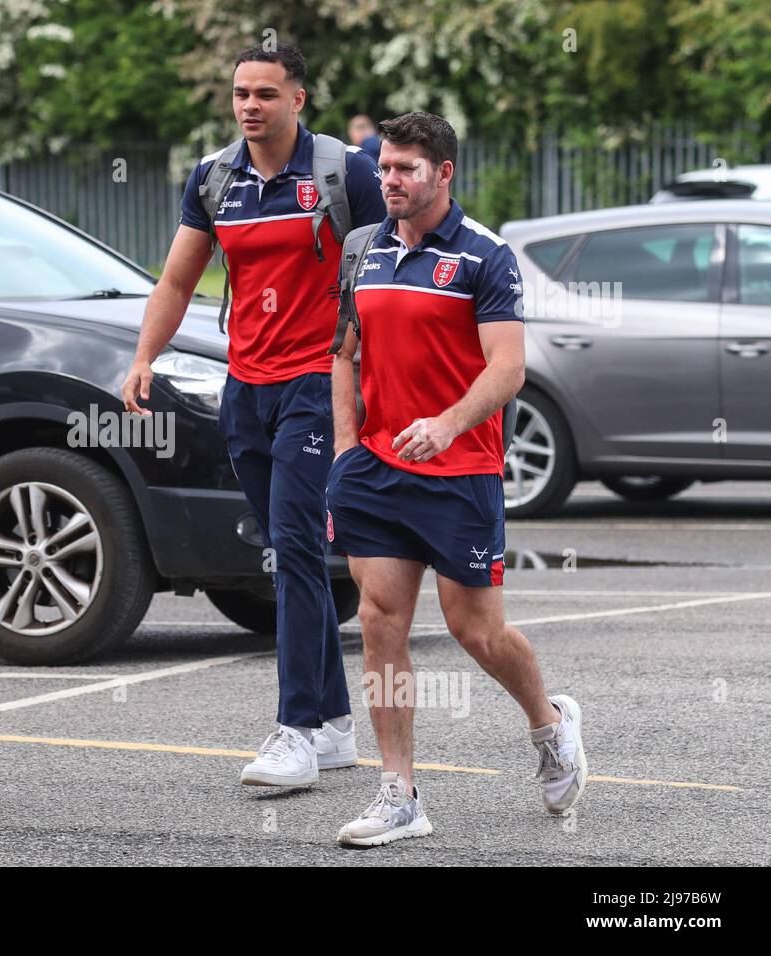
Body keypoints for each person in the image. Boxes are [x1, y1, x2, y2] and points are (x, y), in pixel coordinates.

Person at [123, 43, 385, 787]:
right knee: (285, 549)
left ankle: (296, 729)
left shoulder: (344, 173)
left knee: (297, 550)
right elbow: (177, 278)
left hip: (316, 383)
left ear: (298, 99)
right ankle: (334, 724)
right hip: (245, 387)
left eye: (266, 93)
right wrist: (144, 356)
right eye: (241, 92)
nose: (250, 105)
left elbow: (386, 271)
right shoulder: (215, 178)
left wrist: (365, 383)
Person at [326, 111, 587, 846]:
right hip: (375, 468)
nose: (390, 180)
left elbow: (508, 367)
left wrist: (446, 422)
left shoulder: (485, 256)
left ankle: (550, 724)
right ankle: (400, 793)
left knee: (477, 632)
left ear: (444, 173)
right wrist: (346, 449)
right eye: (384, 167)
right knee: (381, 621)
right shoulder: (363, 249)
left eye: (406, 168)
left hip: (459, 469)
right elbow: (343, 351)